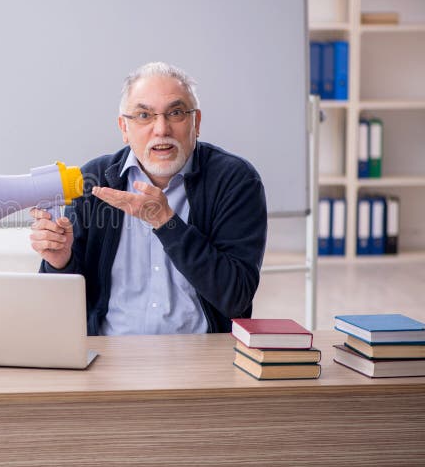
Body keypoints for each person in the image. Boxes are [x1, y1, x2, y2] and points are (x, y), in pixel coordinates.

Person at [30, 62, 267, 335]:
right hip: (110, 357)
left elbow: (235, 298)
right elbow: (59, 310)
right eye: (144, 115)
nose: (161, 129)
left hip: (202, 356)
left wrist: (165, 222)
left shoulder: (235, 181)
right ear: (124, 127)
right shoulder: (94, 179)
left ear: (196, 122)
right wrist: (60, 261)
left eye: (176, 113)